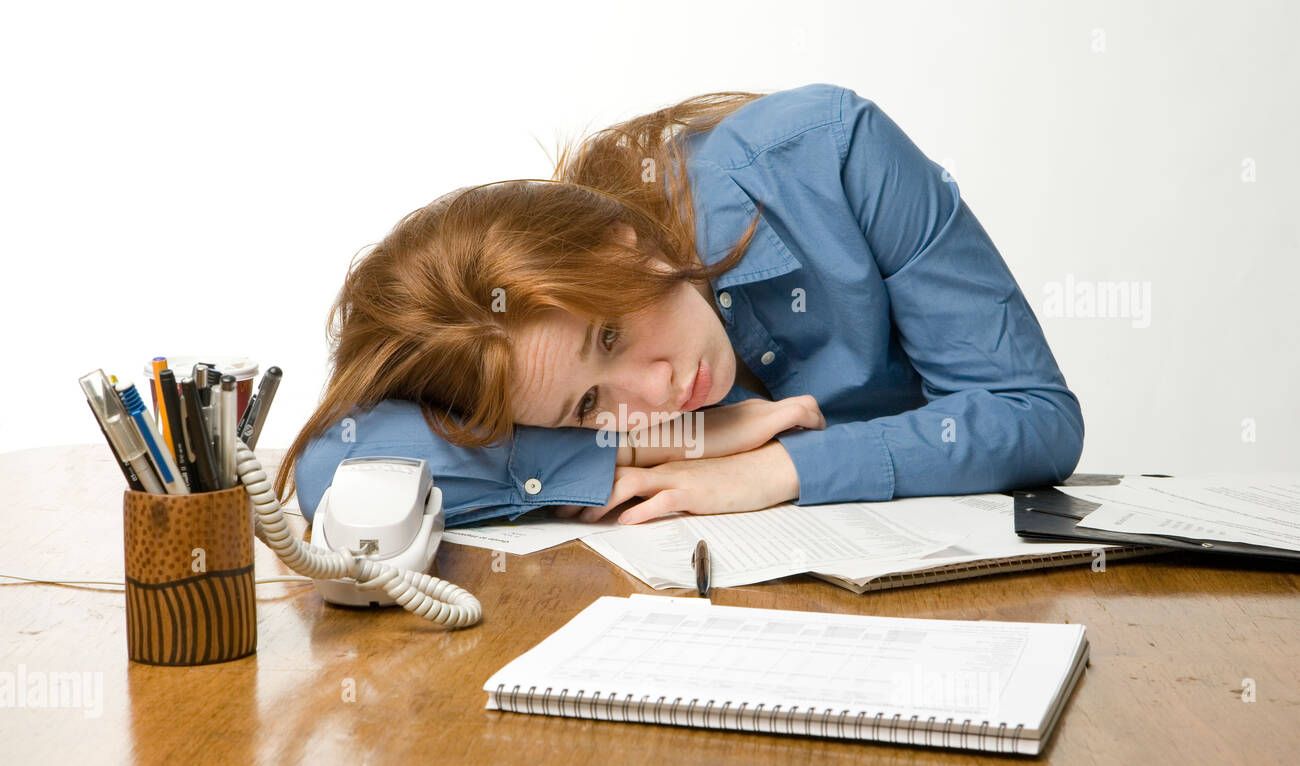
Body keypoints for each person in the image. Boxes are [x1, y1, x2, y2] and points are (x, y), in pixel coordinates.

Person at [277, 83, 1083, 528]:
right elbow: (332, 471)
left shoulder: (831, 150)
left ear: (623, 237)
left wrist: (777, 470)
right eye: (590, 402)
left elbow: (1037, 415)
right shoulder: (553, 374)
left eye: (612, 332)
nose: (655, 393)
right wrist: (657, 450)